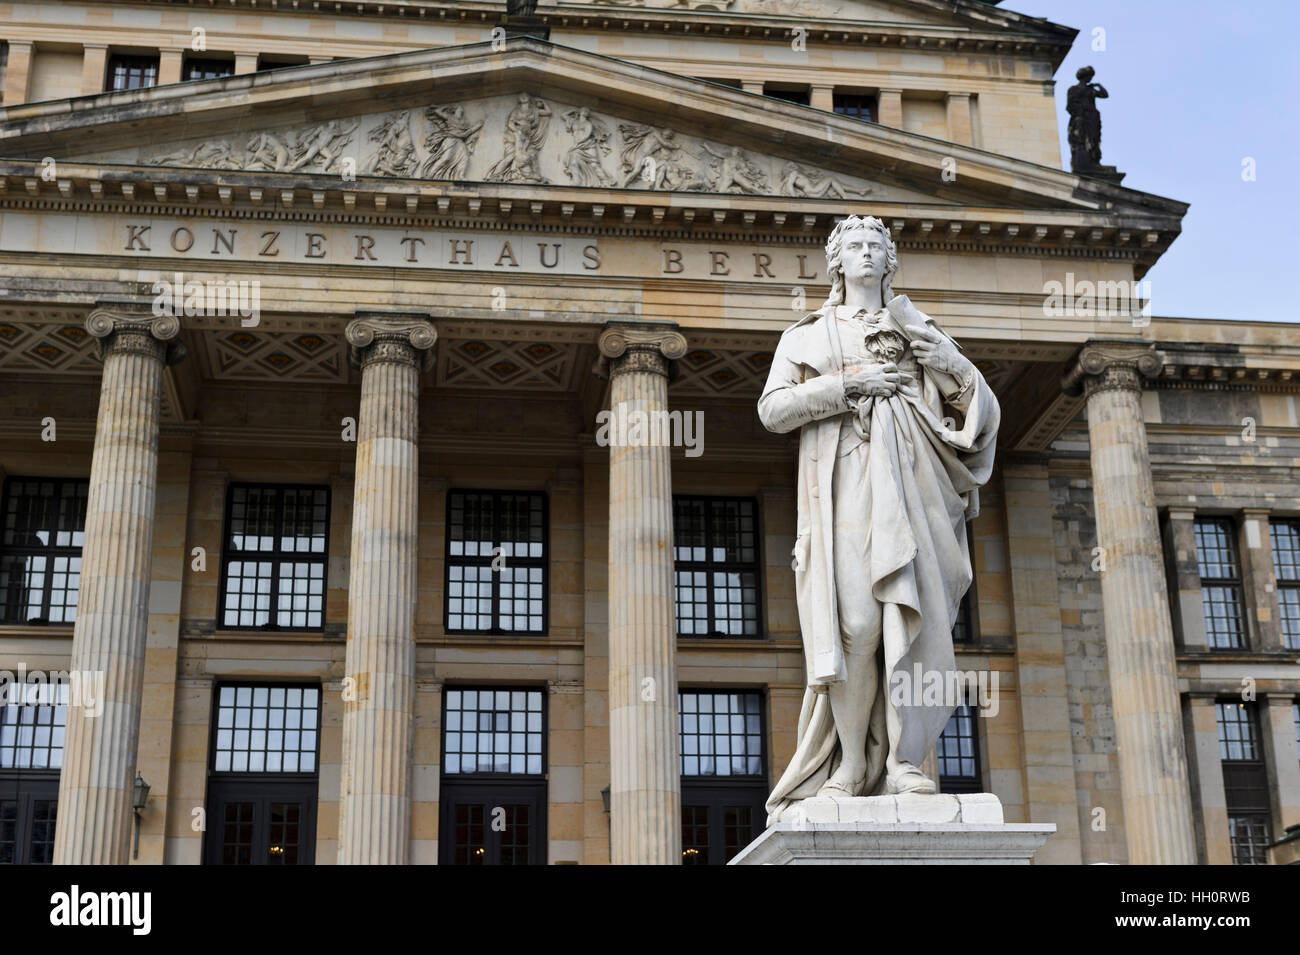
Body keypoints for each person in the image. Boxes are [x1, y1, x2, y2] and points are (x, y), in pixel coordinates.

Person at [757, 215, 1000, 823]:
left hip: (915, 490)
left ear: (890, 261)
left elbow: (978, 409)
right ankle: (850, 765)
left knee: (911, 626)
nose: (866, 255)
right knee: (854, 628)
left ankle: (906, 764)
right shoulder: (806, 335)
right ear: (836, 262)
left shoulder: (918, 327)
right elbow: (774, 410)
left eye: (876, 247)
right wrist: (849, 385)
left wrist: (948, 361)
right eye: (854, 247)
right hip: (843, 487)